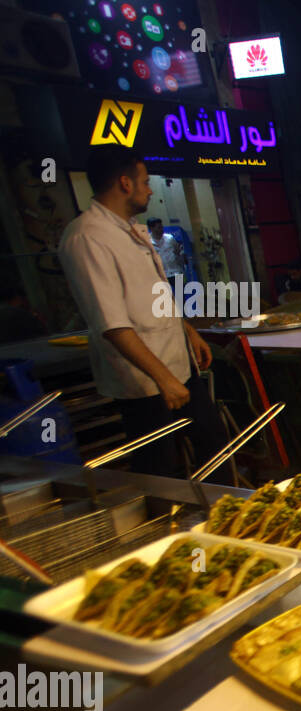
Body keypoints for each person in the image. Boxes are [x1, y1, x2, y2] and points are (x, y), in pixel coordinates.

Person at [58, 146, 228, 481]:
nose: (150, 189)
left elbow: (154, 293)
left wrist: (188, 331)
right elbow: (112, 324)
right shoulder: (87, 237)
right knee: (157, 468)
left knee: (215, 444)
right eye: (146, 182)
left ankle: (227, 519)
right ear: (125, 183)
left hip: (178, 365)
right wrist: (162, 378)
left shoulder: (131, 229)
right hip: (145, 382)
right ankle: (163, 526)